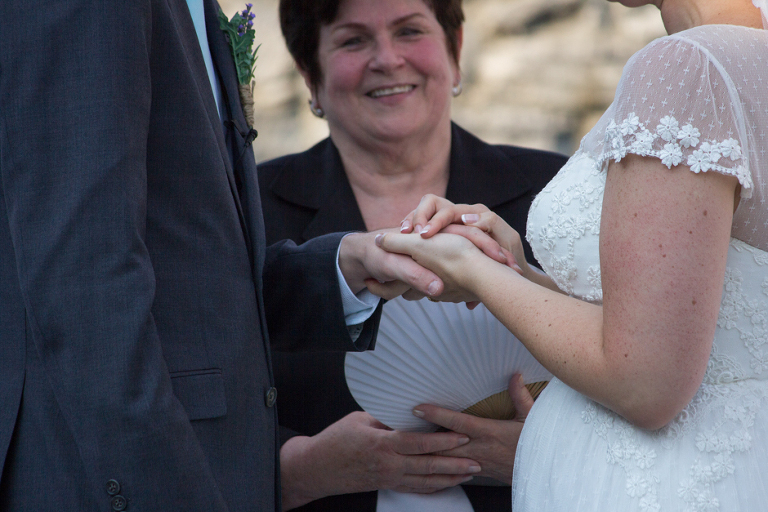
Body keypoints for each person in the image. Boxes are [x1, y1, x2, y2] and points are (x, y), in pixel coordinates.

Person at [0, 0, 471, 510]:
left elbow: (196, 275)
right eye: (353, 40)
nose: (387, 58)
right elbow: (84, 283)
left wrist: (341, 264)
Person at [376, 0, 768, 509]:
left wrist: (476, 273)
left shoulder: (684, 68)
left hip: (649, 483)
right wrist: (516, 275)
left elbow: (643, 383)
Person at [258, 0, 568, 510]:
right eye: (353, 40)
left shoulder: (555, 194)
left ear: (455, 52)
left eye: (409, 31)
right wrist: (301, 469)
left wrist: (555, 452)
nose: (387, 58)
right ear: (309, 76)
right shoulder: (247, 212)